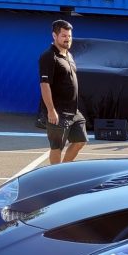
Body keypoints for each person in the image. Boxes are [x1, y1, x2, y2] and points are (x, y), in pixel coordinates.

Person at [39, 19, 87, 165]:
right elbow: (44, 84)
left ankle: (63, 170)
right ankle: (54, 178)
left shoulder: (69, 55)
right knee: (57, 147)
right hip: (58, 111)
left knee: (80, 141)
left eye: (69, 36)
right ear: (55, 36)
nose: (68, 39)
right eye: (64, 36)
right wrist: (51, 110)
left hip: (73, 111)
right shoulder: (49, 57)